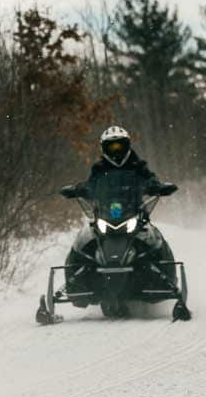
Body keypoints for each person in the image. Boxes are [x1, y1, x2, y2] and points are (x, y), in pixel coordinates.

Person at [59, 125, 186, 317]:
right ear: (104, 148)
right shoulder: (99, 169)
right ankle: (76, 286)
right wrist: (77, 190)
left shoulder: (137, 166)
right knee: (82, 244)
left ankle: (167, 283)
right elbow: (90, 185)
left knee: (154, 241)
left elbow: (150, 180)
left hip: (134, 216)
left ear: (127, 146)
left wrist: (158, 187)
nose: (116, 151)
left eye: (120, 146)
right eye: (112, 147)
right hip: (105, 217)